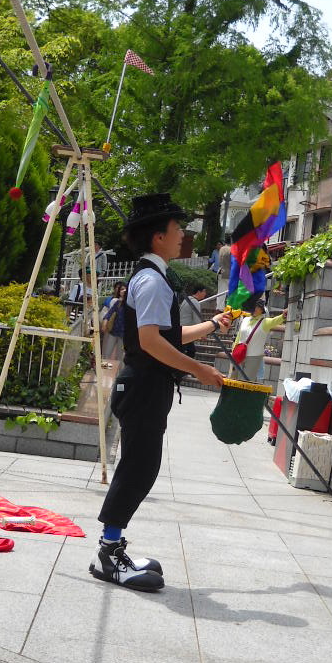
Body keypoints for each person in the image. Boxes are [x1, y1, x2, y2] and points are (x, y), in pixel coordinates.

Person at [90, 193, 232, 592]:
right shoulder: (152, 281)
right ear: (158, 237)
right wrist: (199, 369)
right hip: (143, 387)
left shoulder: (152, 278)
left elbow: (166, 335)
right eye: (175, 228)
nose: (182, 233)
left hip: (146, 386)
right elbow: (151, 342)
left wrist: (213, 326)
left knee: (142, 466)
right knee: (138, 468)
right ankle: (109, 553)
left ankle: (113, 546)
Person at [229, 299, 285, 382]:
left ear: (261, 309)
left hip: (254, 356)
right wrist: (233, 351)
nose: (254, 308)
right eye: (253, 306)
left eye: (257, 307)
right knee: (234, 379)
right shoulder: (245, 320)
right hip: (239, 353)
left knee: (247, 380)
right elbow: (239, 337)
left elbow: (275, 320)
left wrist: (283, 316)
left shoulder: (265, 322)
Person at [179, 283, 208, 358]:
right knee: (189, 352)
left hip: (181, 329)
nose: (205, 294)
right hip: (186, 331)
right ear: (198, 292)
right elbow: (197, 319)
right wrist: (202, 333)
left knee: (189, 350)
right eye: (204, 291)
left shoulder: (187, 300)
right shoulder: (194, 302)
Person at [100, 283, 127, 362]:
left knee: (120, 356)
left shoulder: (131, 304)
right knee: (107, 353)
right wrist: (105, 322)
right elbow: (109, 313)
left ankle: (119, 373)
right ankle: (103, 371)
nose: (123, 291)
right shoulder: (118, 302)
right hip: (113, 332)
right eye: (121, 289)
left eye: (125, 289)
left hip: (124, 334)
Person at [215, 239, 232, 310]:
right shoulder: (232, 249)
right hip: (229, 273)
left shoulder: (221, 249)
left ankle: (219, 307)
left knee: (221, 291)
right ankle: (230, 307)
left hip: (221, 271)